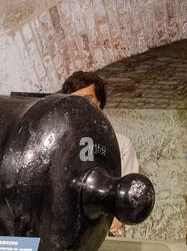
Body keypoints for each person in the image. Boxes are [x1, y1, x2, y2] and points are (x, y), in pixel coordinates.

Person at [60, 70, 141, 235]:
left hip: (102, 231)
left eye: (88, 100)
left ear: (100, 102)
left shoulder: (120, 143)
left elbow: (125, 194)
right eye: (75, 100)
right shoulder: (59, 143)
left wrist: (113, 224)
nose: (81, 105)